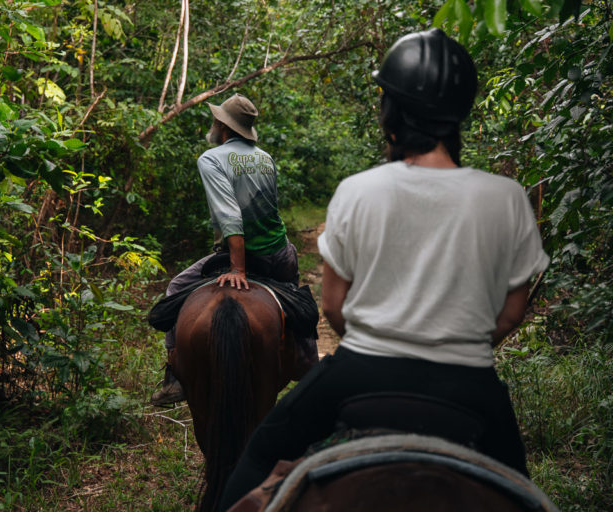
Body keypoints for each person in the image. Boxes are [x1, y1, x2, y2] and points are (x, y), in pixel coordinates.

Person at [217, 28, 550, 510]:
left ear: (389, 114)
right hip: (469, 383)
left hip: (361, 374)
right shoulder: (507, 197)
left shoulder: (357, 190)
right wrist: (458, 344)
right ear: (460, 114)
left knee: (259, 453)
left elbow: (334, 306)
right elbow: (513, 311)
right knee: (525, 493)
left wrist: (384, 340)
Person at [150, 93, 315, 406]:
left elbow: (229, 215)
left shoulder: (211, 159)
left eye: (216, 120)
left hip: (239, 254)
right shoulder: (265, 158)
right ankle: (307, 358)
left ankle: (173, 376)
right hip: (279, 253)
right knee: (294, 296)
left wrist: (238, 268)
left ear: (223, 126)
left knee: (176, 287)